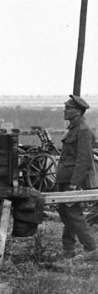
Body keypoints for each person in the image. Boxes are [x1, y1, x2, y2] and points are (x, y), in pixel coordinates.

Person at [55, 94, 97, 259]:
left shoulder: (84, 131)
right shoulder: (73, 129)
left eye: (68, 109)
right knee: (65, 213)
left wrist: (74, 183)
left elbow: (84, 159)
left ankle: (92, 248)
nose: (64, 111)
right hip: (64, 178)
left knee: (73, 214)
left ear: (78, 112)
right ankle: (68, 250)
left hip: (72, 180)